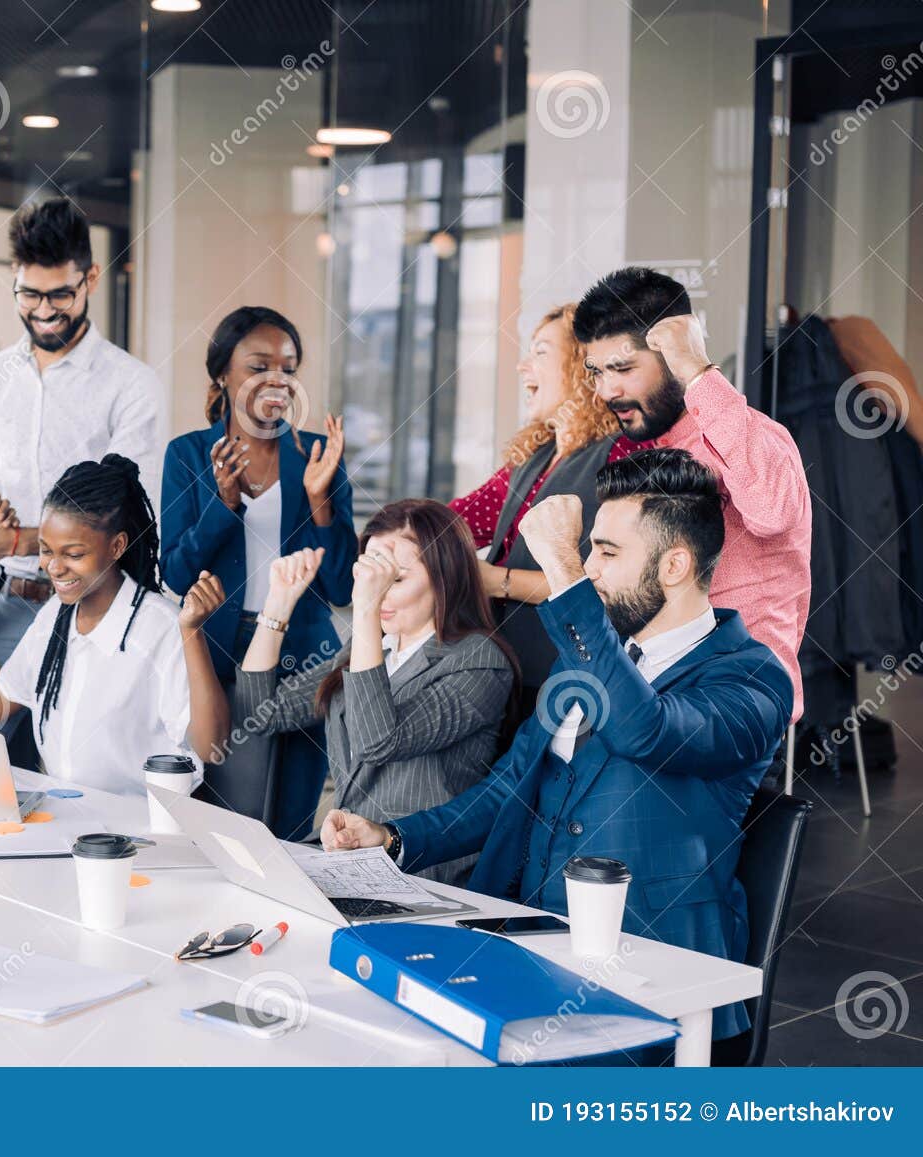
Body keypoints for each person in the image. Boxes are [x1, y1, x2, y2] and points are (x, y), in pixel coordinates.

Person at [323, 449, 794, 1047]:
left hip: (651, 978)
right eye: (590, 549)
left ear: (675, 565)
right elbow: (506, 790)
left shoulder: (753, 679)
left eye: (608, 552)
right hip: (524, 946)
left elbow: (646, 730)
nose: (591, 569)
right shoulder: (590, 661)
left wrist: (564, 570)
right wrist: (392, 838)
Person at [0, 198, 164, 766]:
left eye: (60, 294)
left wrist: (20, 541)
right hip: (12, 599)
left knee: (80, 772)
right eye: (29, 294)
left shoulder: (132, 384)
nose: (44, 310)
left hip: (92, 606)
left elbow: (131, 517)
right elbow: (0, 484)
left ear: (90, 279)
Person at [573, 266, 812, 720]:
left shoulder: (754, 436)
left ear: (671, 352)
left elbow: (773, 512)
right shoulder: (645, 452)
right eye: (597, 372)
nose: (608, 390)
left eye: (623, 368)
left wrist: (697, 370)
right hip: (647, 695)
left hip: (736, 706)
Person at [232, 501, 515, 882]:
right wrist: (277, 606)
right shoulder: (370, 648)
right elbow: (260, 713)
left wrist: (365, 612)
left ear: (445, 577)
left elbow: (377, 741)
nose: (376, 593)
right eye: (370, 576)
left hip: (422, 873)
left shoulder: (479, 660)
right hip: (349, 862)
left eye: (393, 579)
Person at [160, 306, 354, 837]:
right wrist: (223, 505)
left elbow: (340, 585)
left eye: (288, 368)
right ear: (223, 374)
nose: (277, 380)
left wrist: (320, 503)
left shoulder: (317, 455)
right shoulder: (188, 455)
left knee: (289, 822)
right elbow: (176, 575)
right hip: (221, 655)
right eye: (258, 365)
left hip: (304, 657)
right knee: (223, 818)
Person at [0, 455, 229, 798]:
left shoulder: (161, 625)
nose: (54, 567)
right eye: (46, 551)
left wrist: (192, 630)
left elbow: (211, 747)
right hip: (66, 812)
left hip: (138, 824)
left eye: (73, 554)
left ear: (117, 546)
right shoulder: (55, 616)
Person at [450, 304, 650, 720]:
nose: (523, 366)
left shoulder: (623, 454)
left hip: (563, 680)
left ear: (582, 367)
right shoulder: (534, 457)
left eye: (540, 352)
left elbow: (610, 585)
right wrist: (398, 531)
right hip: (507, 670)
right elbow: (457, 522)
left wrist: (496, 581)